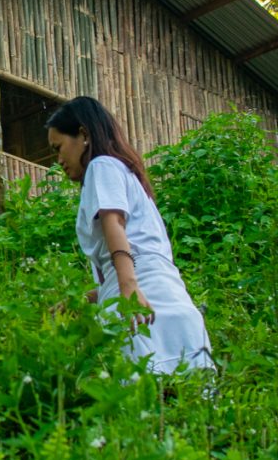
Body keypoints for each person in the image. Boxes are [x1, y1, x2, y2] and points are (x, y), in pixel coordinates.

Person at [45, 96, 214, 375]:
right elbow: (131, 261)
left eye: (59, 148)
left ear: (83, 135)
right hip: (169, 300)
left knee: (139, 398)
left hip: (142, 305)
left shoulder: (102, 166)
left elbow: (115, 225)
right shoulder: (124, 172)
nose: (58, 160)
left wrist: (128, 290)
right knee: (188, 402)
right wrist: (78, 302)